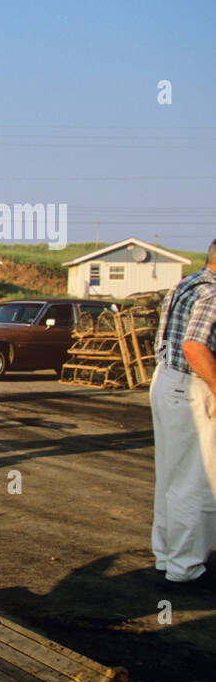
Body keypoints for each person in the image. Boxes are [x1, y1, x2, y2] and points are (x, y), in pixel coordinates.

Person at [151, 239, 216, 587]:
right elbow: (195, 346)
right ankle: (186, 566)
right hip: (192, 387)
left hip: (167, 380)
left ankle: (166, 556)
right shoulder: (214, 293)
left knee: (171, 475)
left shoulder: (187, 284)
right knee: (198, 480)